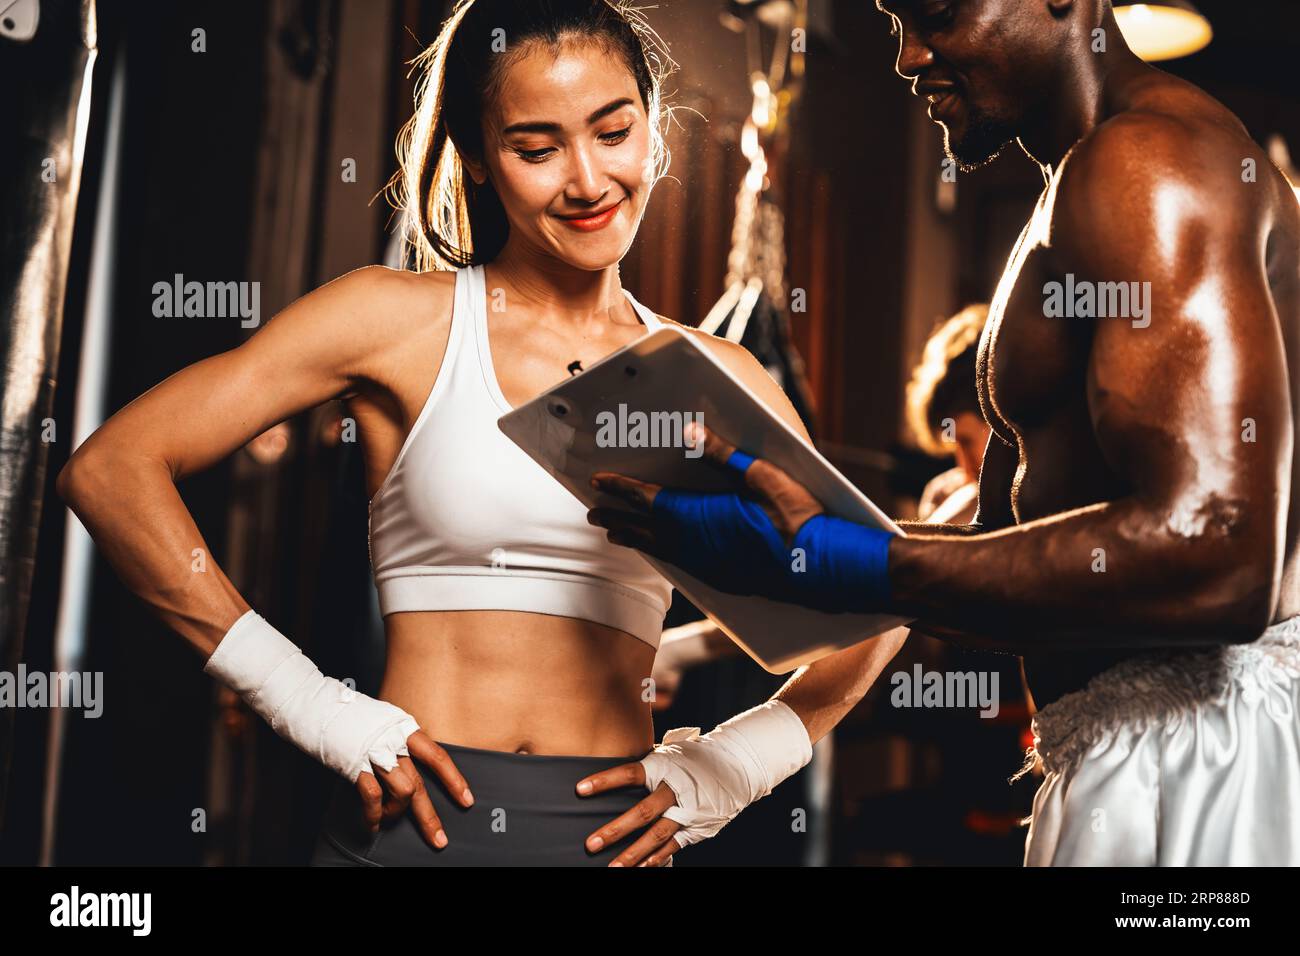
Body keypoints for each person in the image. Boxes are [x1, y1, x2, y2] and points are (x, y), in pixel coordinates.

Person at [56, 0, 868, 867]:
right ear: (476, 156)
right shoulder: (393, 321)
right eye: (536, 149)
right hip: (412, 833)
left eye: (613, 132)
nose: (587, 181)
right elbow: (112, 469)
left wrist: (734, 766)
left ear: (652, 129)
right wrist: (308, 703)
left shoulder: (714, 378)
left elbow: (878, 602)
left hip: (611, 844)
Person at [585, 0, 1300, 865]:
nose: (908, 56)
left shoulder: (1148, 161)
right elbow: (1004, 549)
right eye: (896, 21)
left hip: (1198, 759)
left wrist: (851, 559)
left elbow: (1221, 555)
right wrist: (804, 550)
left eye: (937, 12)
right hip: (1134, 751)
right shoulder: (1075, 189)